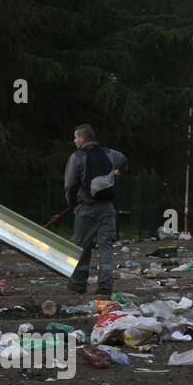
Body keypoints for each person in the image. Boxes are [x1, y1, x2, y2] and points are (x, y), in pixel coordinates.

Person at [63, 124, 128, 296]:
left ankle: (78, 283)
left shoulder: (77, 156)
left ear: (83, 138)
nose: (74, 141)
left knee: (82, 246)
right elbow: (124, 160)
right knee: (105, 247)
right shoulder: (109, 153)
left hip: (86, 208)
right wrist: (118, 173)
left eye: (76, 137)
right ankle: (105, 285)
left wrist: (71, 203)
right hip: (107, 208)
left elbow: (70, 185)